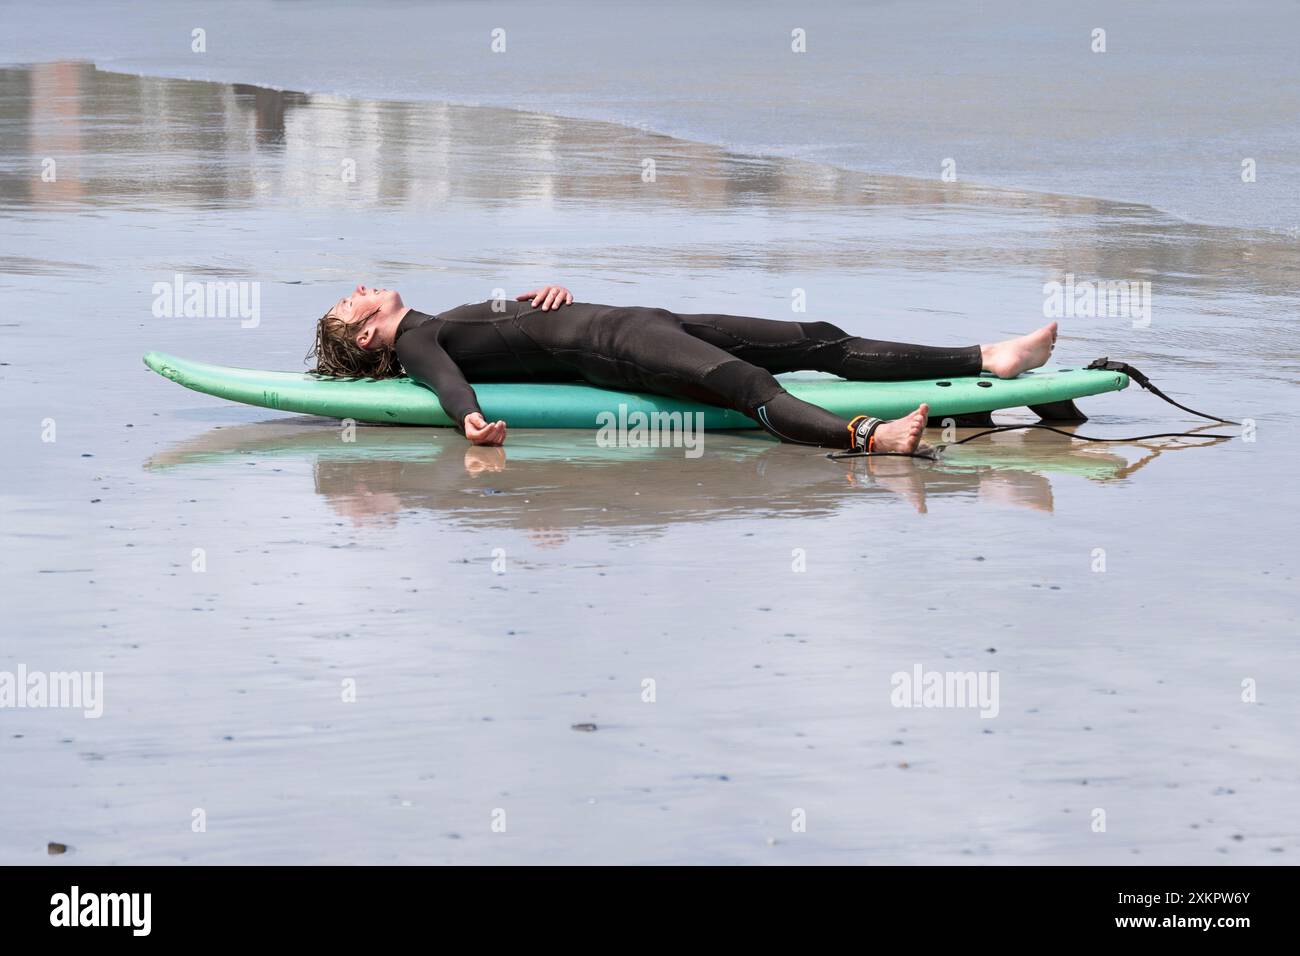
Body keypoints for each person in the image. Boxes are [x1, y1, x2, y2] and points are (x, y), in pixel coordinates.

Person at [307, 283, 1057, 453]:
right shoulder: (413, 344)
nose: (356, 292)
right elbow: (445, 379)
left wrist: (541, 294)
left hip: (638, 319)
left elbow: (509, 332)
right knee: (747, 386)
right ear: (371, 338)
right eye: (350, 306)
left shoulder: (433, 320)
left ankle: (989, 357)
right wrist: (467, 419)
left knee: (815, 338)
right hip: (624, 347)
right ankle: (869, 439)